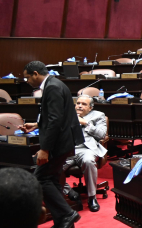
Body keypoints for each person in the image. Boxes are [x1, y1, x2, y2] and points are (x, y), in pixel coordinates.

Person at [18, 61, 84, 228]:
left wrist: (44, 149)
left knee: (40, 179)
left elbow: (55, 120)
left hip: (58, 144)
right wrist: (36, 124)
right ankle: (62, 221)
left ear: (35, 73)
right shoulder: (54, 84)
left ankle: (67, 214)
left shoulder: (52, 87)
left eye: (27, 78)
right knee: (52, 180)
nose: (27, 81)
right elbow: (53, 116)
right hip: (63, 141)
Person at [62, 95, 107, 211]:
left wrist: (86, 123)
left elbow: (102, 134)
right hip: (68, 149)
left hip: (86, 149)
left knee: (88, 161)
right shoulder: (67, 114)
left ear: (91, 107)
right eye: (78, 103)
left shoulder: (98, 115)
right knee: (49, 169)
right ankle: (70, 192)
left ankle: (92, 197)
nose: (80, 106)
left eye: (84, 104)